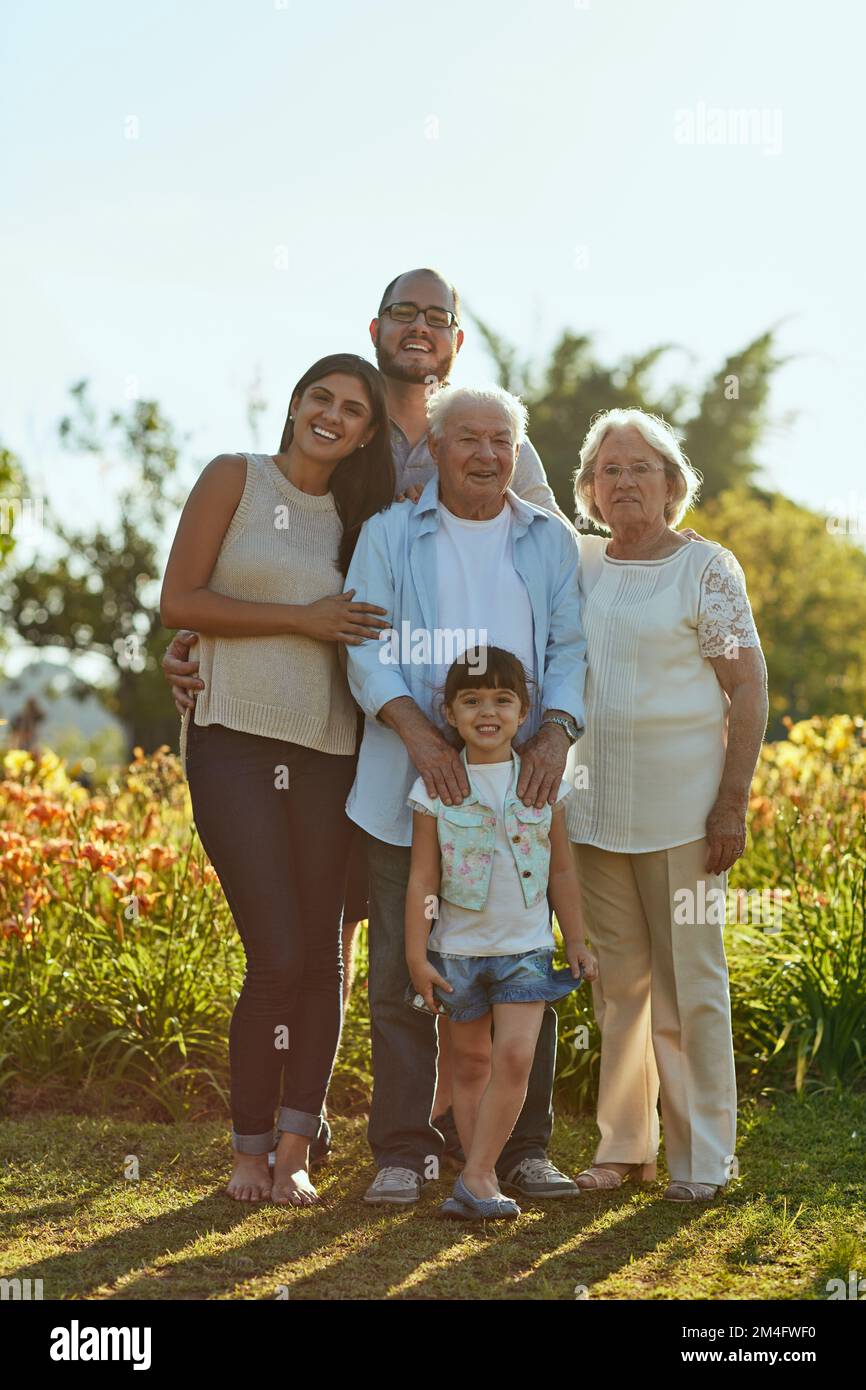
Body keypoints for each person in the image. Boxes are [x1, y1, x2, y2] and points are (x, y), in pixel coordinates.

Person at [160, 268, 569, 1162]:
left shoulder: (493, 437)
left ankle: (470, 1134)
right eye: (403, 315)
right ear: (377, 328)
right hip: (370, 737)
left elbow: (550, 565)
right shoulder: (352, 461)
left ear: (457, 341)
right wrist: (194, 646)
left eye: (437, 318)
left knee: (463, 931)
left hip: (402, 740)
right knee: (343, 937)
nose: (419, 330)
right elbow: (257, 580)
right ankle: (370, 1131)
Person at [159, 354, 393, 1205]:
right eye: (320, 399)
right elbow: (179, 601)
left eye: (352, 410)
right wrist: (301, 620)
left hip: (332, 750)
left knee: (323, 963)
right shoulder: (236, 478)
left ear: (368, 432)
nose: (332, 415)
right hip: (233, 744)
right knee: (277, 955)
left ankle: (296, 1150)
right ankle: (247, 1155)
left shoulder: (366, 519)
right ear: (295, 406)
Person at [345, 383, 587, 1205]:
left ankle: (522, 1150)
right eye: (469, 439)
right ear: (437, 450)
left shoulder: (548, 538)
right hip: (406, 785)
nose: (486, 454)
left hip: (520, 790)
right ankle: (405, 1149)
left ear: (517, 453)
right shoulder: (389, 535)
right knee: (408, 974)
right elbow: (366, 649)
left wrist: (553, 732)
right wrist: (419, 734)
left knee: (526, 959)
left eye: (501, 441)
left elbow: (569, 647)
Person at [566, 408, 768, 1202]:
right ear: (588, 489)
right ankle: (626, 1147)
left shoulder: (705, 567)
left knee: (691, 982)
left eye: (639, 467)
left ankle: (704, 1156)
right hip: (591, 812)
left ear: (673, 483)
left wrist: (732, 803)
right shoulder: (579, 563)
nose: (622, 482)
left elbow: (746, 686)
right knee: (618, 987)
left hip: (687, 815)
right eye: (608, 470)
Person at [405, 647, 598, 1221]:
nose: (487, 712)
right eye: (472, 700)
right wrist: (418, 956)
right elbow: (422, 879)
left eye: (502, 700)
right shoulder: (435, 787)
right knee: (467, 1066)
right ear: (449, 712)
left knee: (515, 1058)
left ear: (523, 711)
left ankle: (478, 1172)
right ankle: (478, 1177)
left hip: (526, 951)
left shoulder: (543, 785)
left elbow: (562, 869)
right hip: (457, 954)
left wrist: (577, 940)